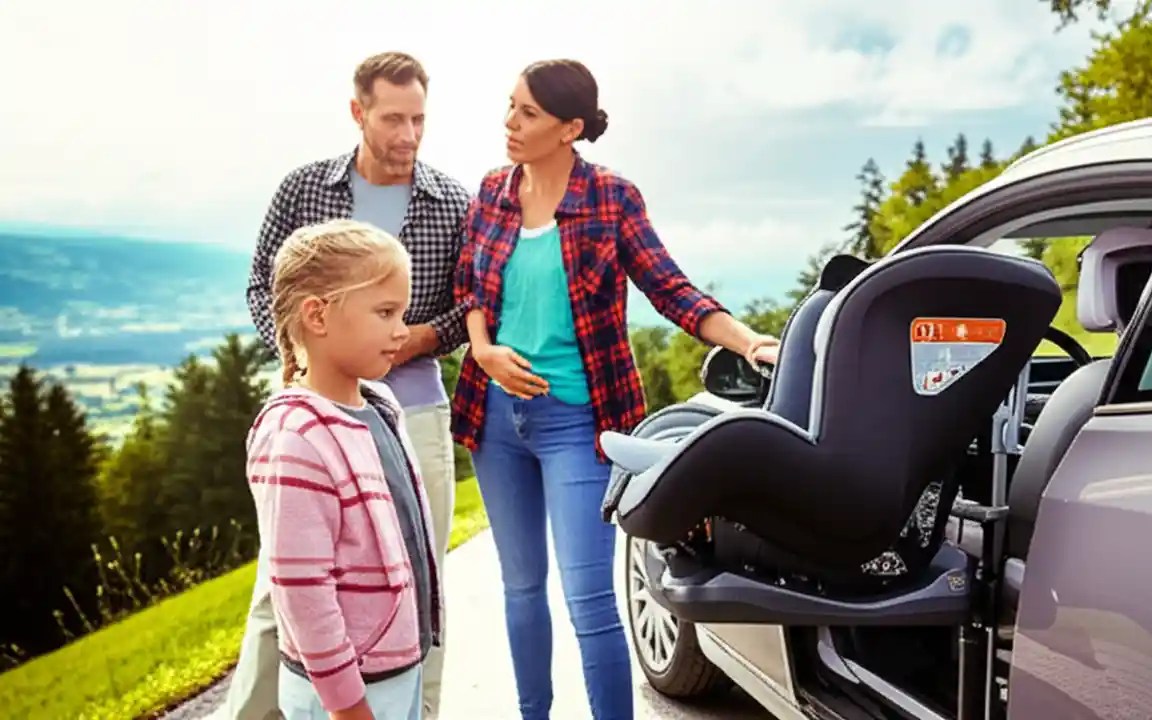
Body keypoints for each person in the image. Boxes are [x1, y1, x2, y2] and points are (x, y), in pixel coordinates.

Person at [450, 59, 780, 720]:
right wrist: (482, 351)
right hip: (494, 423)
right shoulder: (491, 191)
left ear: (570, 127)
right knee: (520, 589)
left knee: (590, 600)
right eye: (509, 106)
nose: (510, 123)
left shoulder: (610, 198)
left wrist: (748, 342)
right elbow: (469, 286)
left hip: (576, 420)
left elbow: (671, 289)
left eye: (528, 113)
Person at [230, 51, 470, 719]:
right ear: (358, 111)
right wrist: (303, 355)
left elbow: (471, 302)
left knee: (416, 576)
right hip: (320, 401)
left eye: (419, 119)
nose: (409, 135)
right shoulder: (305, 189)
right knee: (285, 592)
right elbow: (264, 285)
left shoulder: (451, 200)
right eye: (394, 118)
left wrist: (414, 337)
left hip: (409, 413)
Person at [247, 218, 441, 720]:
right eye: (385, 312)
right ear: (317, 315)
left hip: (396, 670)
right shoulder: (296, 437)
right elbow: (301, 589)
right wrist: (346, 706)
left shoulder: (380, 405)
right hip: (345, 697)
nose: (402, 329)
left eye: (402, 312)